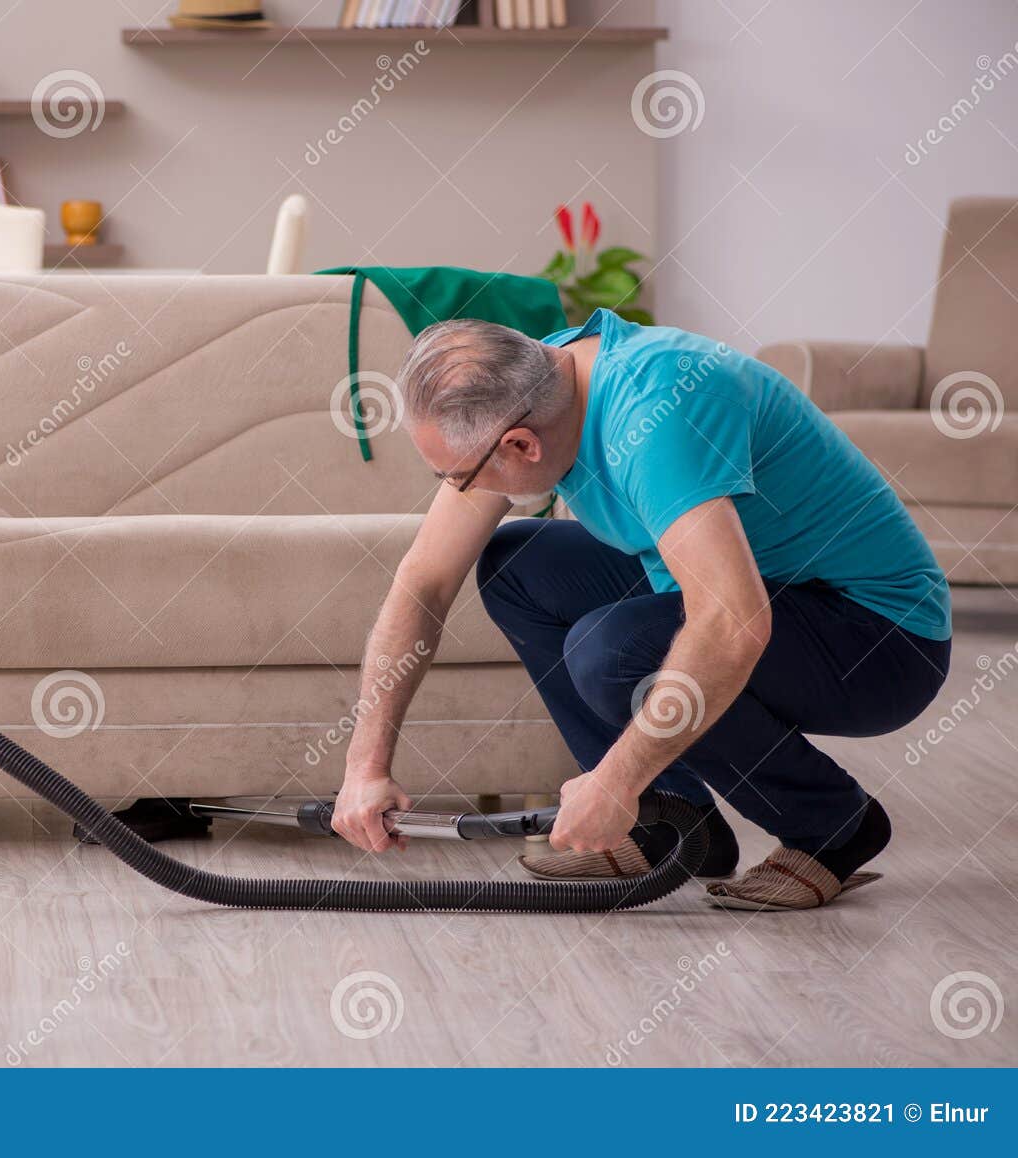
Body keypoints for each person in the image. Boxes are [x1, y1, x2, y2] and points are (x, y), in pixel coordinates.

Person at [331, 308, 951, 910]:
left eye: (460, 478)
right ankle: (672, 824)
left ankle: (832, 827)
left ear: (520, 445)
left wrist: (613, 782)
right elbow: (425, 582)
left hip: (879, 641)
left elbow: (731, 622)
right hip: (765, 596)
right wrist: (366, 766)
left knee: (614, 650)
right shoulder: (540, 381)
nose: (459, 492)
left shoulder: (660, 412)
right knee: (516, 565)